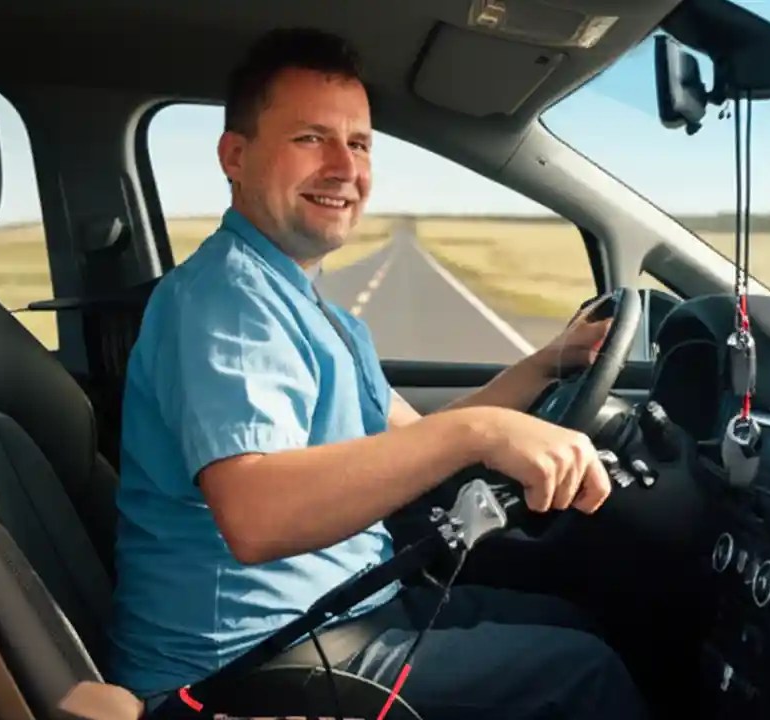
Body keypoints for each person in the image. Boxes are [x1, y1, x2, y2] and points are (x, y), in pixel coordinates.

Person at [108, 26, 648, 719]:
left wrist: (548, 364)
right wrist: (483, 433)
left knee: (573, 622)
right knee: (583, 675)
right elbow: (256, 515)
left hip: (341, 614)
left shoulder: (311, 308)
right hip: (246, 669)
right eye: (311, 139)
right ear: (235, 156)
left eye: (359, 144)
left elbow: (415, 442)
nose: (344, 168)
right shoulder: (226, 297)